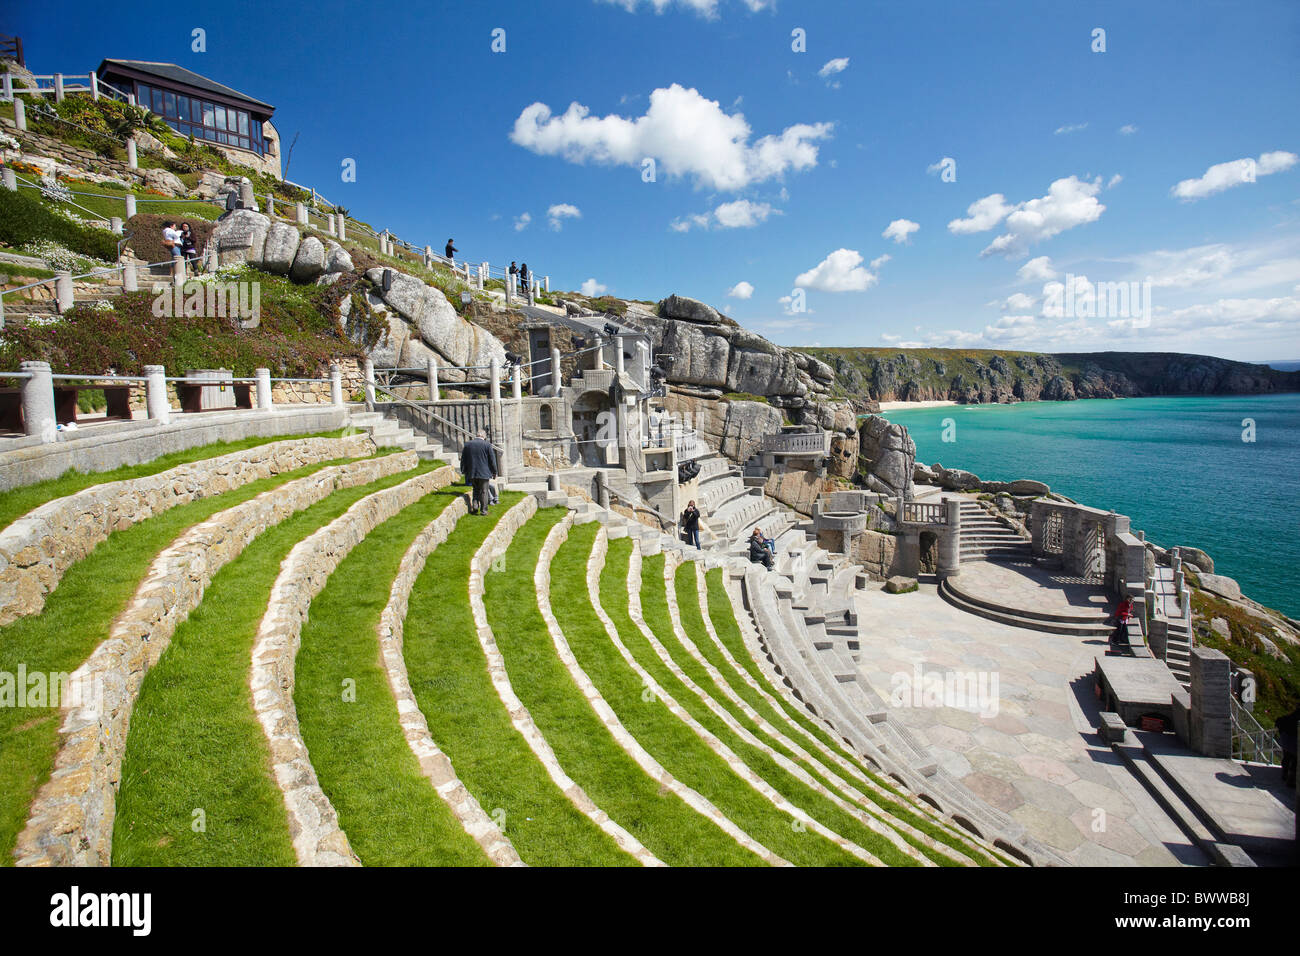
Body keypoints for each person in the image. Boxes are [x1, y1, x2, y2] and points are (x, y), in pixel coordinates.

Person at [460, 429, 498, 516]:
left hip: (472, 472)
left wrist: (463, 469)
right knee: (484, 491)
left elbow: (463, 459)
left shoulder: (468, 444)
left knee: (475, 489)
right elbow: (492, 460)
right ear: (484, 436)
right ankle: (484, 511)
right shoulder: (487, 445)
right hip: (484, 473)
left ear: (476, 435)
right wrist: (494, 471)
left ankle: (475, 506)